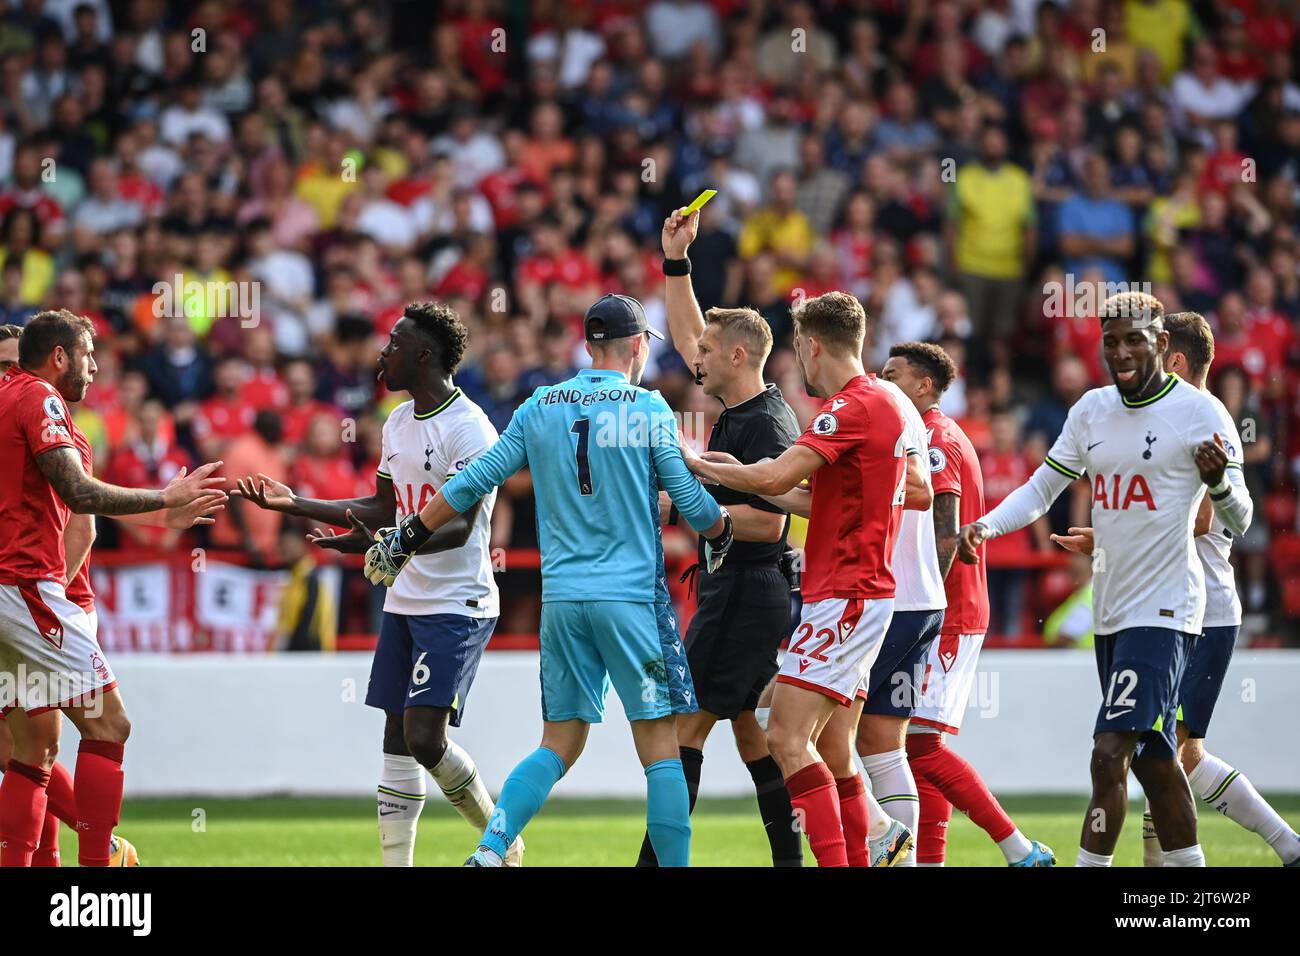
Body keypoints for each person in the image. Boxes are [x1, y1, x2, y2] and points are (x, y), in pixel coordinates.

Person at [364, 293, 734, 867]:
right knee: (661, 748)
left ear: (589, 345)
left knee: (558, 742)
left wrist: (408, 534)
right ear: (637, 346)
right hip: (632, 598)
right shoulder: (648, 408)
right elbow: (691, 502)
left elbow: (473, 482)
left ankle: (490, 851)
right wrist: (723, 526)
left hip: (562, 602)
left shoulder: (540, 405)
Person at [957, 292, 1254, 867]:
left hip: (1169, 607)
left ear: (1162, 344)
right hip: (1112, 608)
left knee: (1109, 748)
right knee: (1152, 757)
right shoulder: (1092, 410)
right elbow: (1043, 488)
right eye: (1111, 340)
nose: (1120, 351)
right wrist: (986, 527)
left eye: (1134, 339)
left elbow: (1240, 518)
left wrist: (1219, 484)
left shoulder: (1199, 412)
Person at [231, 302, 521, 867]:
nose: (381, 354)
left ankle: (502, 841)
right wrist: (296, 504)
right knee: (396, 739)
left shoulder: (471, 427)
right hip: (405, 599)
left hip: (458, 602)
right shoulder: (395, 423)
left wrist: (393, 542)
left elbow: (459, 525)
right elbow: (382, 505)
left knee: (424, 739)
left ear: (423, 354)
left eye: (393, 344)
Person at [686, 291, 930, 867]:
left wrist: (693, 463)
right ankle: (877, 831)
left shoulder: (847, 408)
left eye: (798, 351)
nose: (797, 366)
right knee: (829, 744)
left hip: (845, 595)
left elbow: (775, 479)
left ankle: (850, 848)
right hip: (861, 594)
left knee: (785, 739)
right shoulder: (890, 403)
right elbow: (811, 497)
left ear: (812, 345)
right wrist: (733, 473)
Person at [1051, 310, 1299, 867]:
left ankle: (1255, 853)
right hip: (1174, 605)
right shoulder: (1173, 423)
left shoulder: (1196, 424)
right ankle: (1273, 849)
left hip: (1198, 608)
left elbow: (1208, 518)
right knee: (1160, 751)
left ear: (1175, 359)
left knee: (1163, 753)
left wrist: (1116, 528)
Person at [0, 309, 223, 867]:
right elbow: (80, 498)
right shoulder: (39, 400)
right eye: (87, 356)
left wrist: (160, 513)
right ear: (58, 356)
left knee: (29, 753)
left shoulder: (24, 410)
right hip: (31, 589)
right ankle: (102, 870)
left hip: (26, 594)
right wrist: (166, 500)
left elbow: (79, 505)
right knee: (108, 724)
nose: (94, 367)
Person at [635, 208, 803, 868]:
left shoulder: (767, 425)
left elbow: (772, 520)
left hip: (746, 587)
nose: (691, 355)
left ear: (736, 357)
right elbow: (686, 330)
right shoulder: (745, 407)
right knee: (751, 734)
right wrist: (676, 261)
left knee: (685, 730)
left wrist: (692, 504)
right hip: (743, 587)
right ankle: (789, 860)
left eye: (705, 351)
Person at [883, 341, 1054, 867]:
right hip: (940, 611)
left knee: (918, 748)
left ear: (924, 385)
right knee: (916, 747)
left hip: (945, 613)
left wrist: (921, 611)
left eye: (893, 375)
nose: (882, 382)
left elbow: (946, 534)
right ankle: (933, 860)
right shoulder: (925, 434)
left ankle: (1019, 849)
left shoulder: (935, 438)